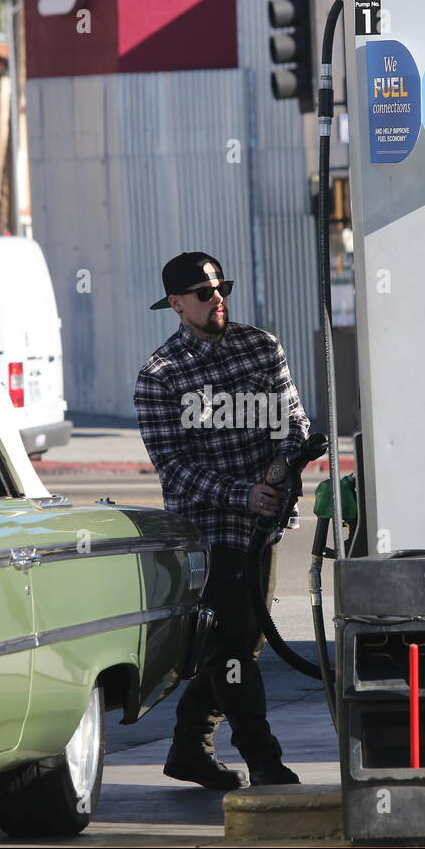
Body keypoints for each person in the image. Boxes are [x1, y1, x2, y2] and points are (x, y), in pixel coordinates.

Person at [134, 251, 309, 789]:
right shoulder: (160, 376)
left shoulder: (262, 346)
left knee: (241, 640)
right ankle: (263, 758)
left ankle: (189, 747)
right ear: (176, 304)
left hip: (263, 519)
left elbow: (293, 418)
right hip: (207, 530)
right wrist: (243, 494)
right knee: (234, 643)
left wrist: (284, 469)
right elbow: (175, 470)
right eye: (203, 293)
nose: (217, 300)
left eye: (220, 288)